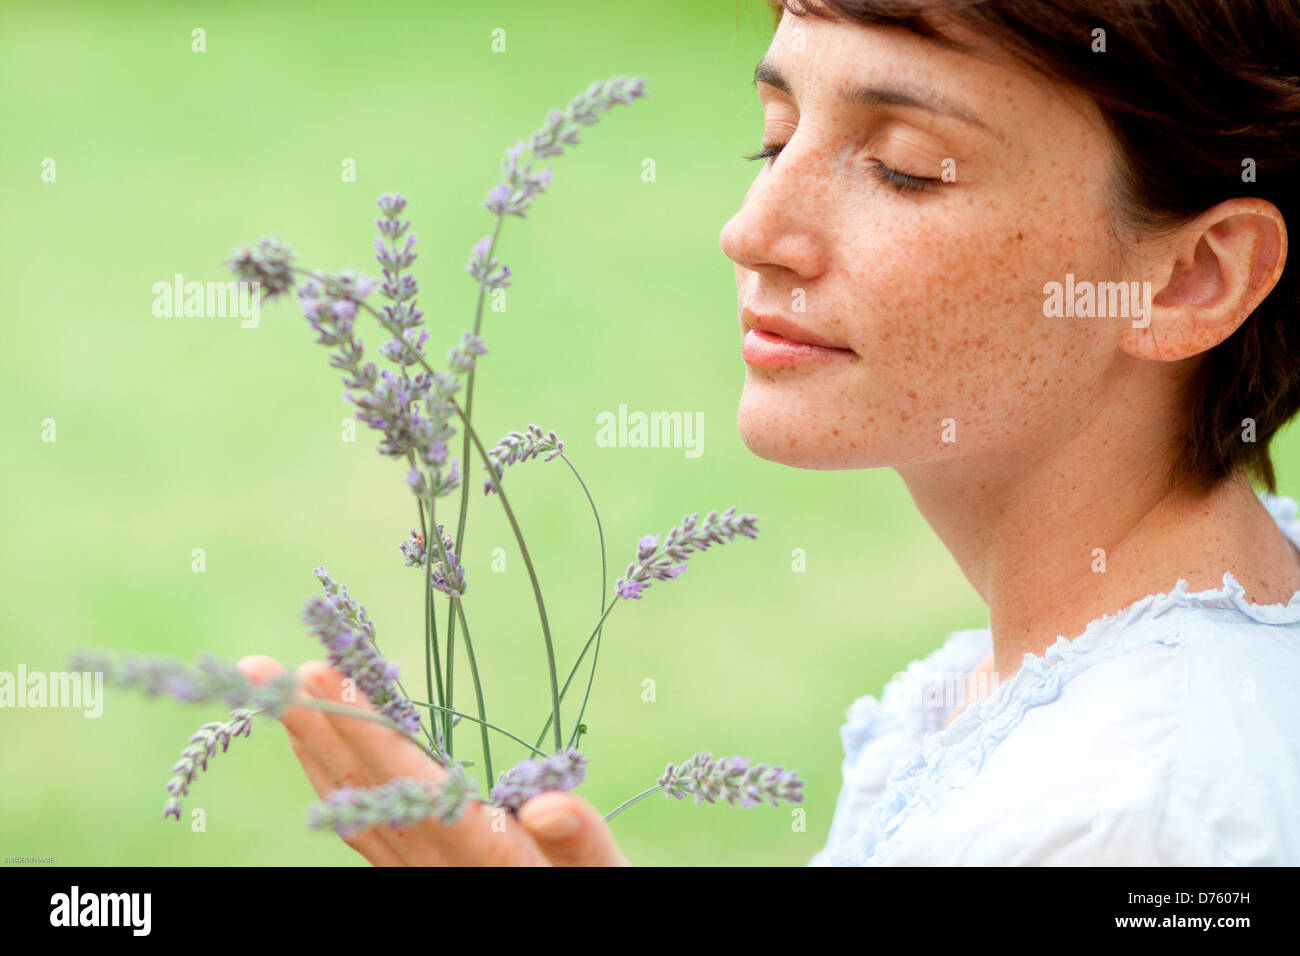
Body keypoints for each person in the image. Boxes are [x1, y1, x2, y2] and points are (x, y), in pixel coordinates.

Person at [239, 0, 1300, 865]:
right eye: (777, 134)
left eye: (906, 166)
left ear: (1190, 278)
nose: (752, 231)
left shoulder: (1120, 820)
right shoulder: (1129, 657)